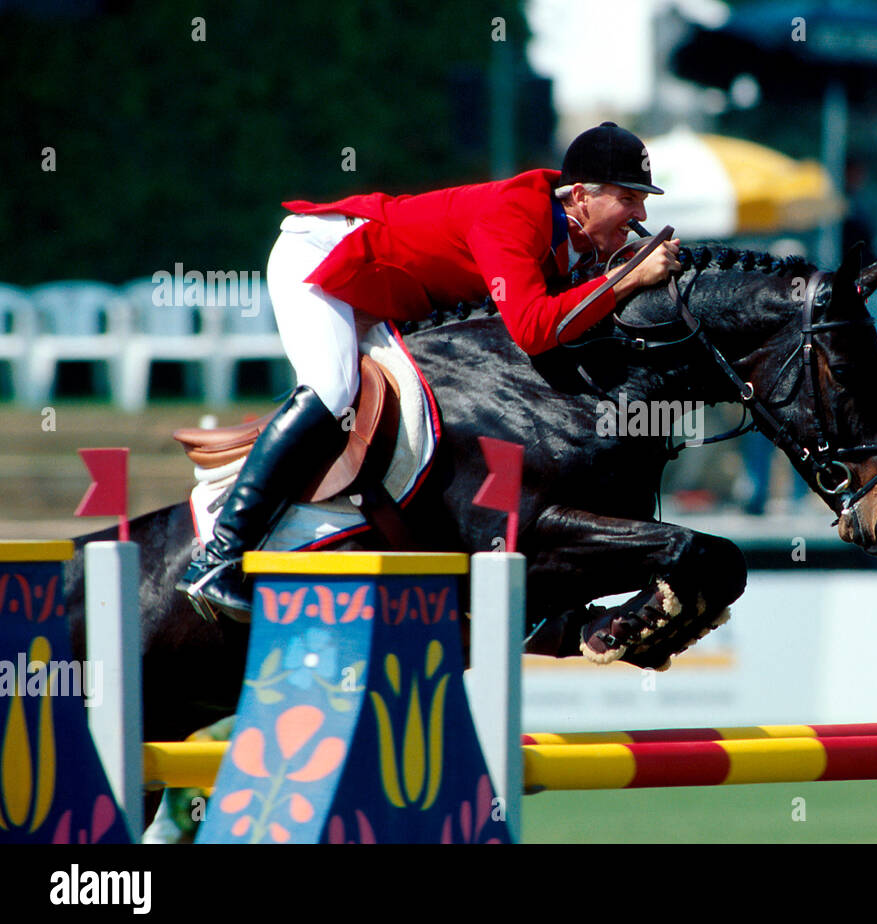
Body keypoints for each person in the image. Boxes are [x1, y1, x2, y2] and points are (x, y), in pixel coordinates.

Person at [179, 122, 681, 622]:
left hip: (391, 296)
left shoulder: (581, 240)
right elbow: (531, 328)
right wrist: (627, 278)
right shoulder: (514, 214)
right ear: (580, 196)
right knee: (334, 391)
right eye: (629, 197)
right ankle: (218, 556)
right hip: (325, 264)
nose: (640, 213)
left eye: (643, 199)